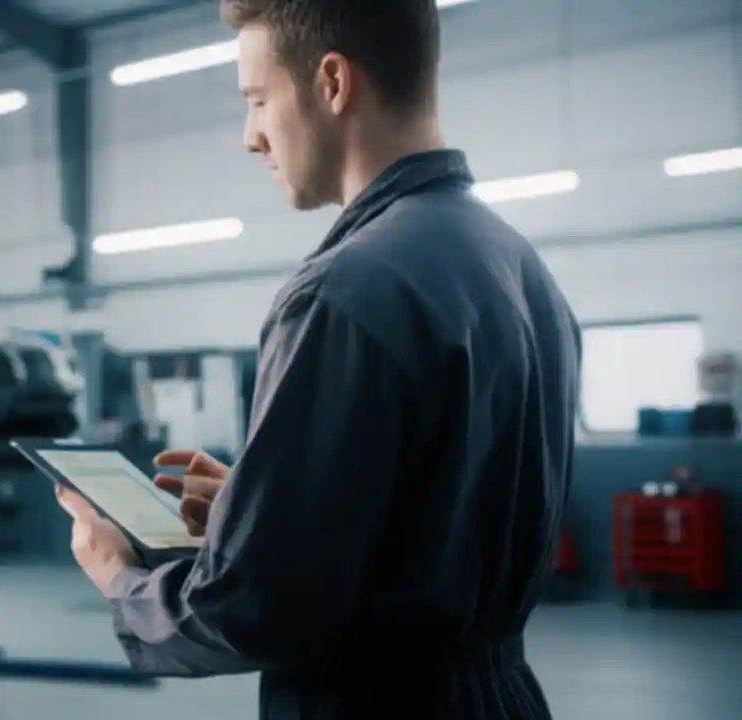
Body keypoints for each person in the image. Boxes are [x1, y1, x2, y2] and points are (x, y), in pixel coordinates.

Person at [54, 0, 581, 718]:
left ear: (332, 82)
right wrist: (266, 511)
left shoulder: (344, 291)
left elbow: (257, 609)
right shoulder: (520, 267)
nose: (251, 137)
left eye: (257, 100)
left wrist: (123, 582)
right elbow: (431, 516)